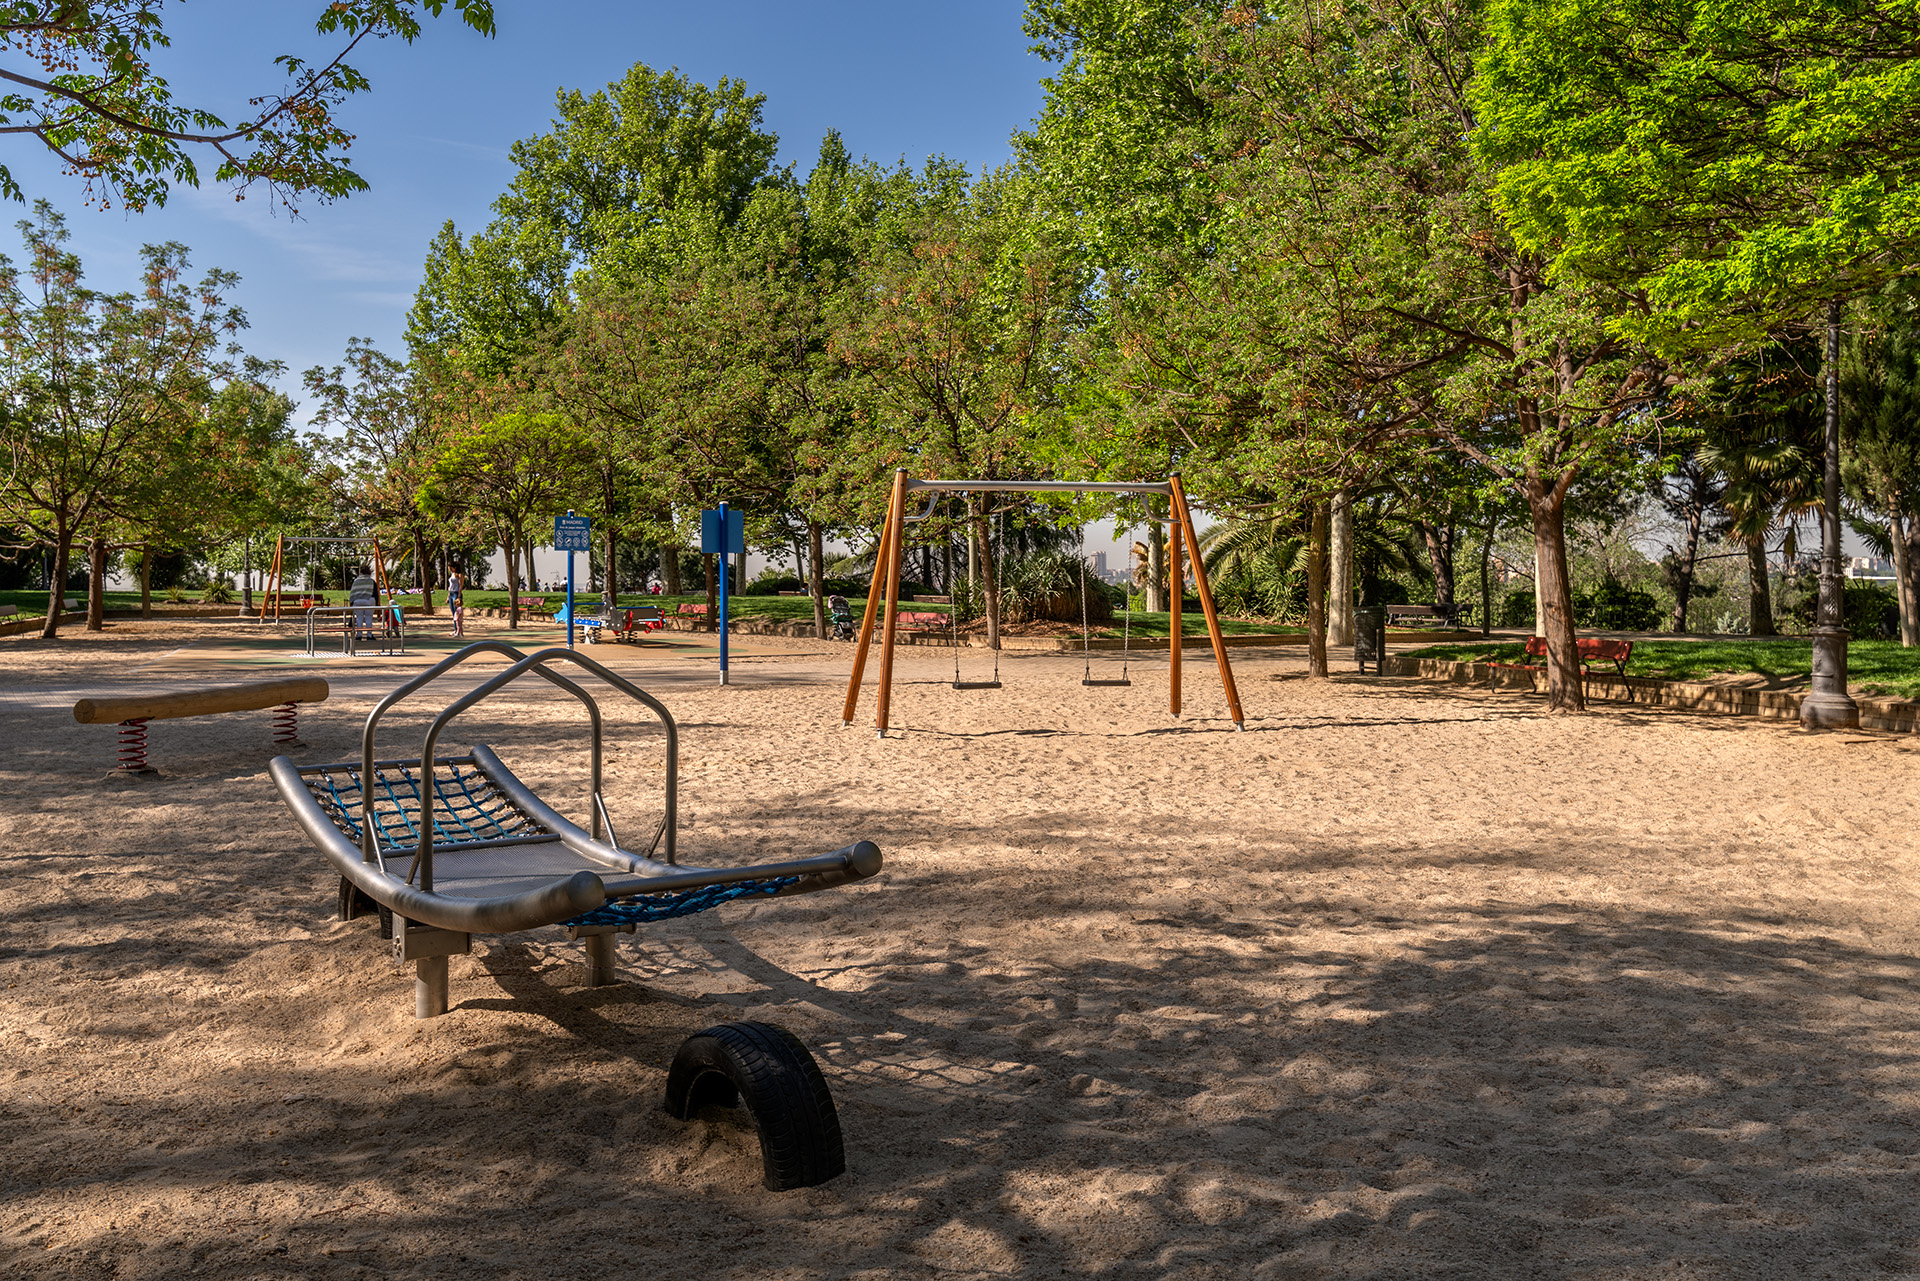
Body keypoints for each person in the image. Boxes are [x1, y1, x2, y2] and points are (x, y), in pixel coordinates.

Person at [447, 570, 465, 637]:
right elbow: (450, 585)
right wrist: (448, 596)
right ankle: (456, 629)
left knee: (457, 613)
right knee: (453, 614)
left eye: (450, 567)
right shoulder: (452, 574)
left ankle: (458, 631)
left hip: (456, 593)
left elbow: (461, 585)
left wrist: (459, 596)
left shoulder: (459, 575)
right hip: (451, 593)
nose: (450, 569)